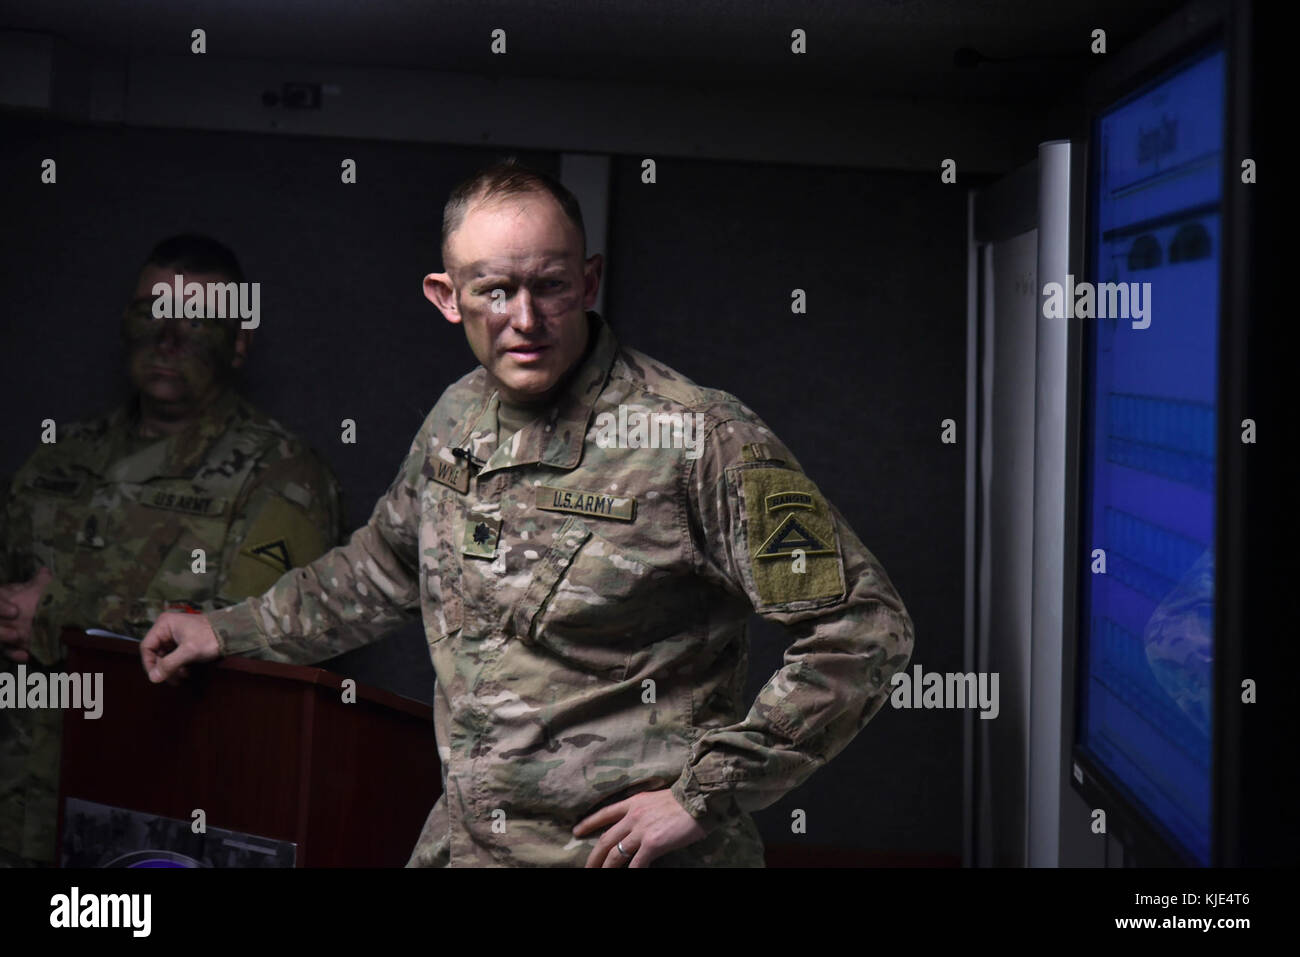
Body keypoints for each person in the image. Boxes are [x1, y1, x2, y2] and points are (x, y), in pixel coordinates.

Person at [141, 162, 915, 867]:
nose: (525, 318)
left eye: (548, 285)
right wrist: (227, 629)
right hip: (471, 846)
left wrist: (703, 795)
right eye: (493, 290)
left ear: (588, 281)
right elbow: (383, 569)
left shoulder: (695, 438)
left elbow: (864, 626)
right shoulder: (456, 420)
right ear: (447, 297)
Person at [0, 235, 344, 866]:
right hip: (19, 806)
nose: (168, 336)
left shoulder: (281, 475)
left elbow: (267, 642)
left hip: (154, 822)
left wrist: (60, 615)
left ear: (239, 342)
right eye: (150, 311)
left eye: (199, 318)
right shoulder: (58, 458)